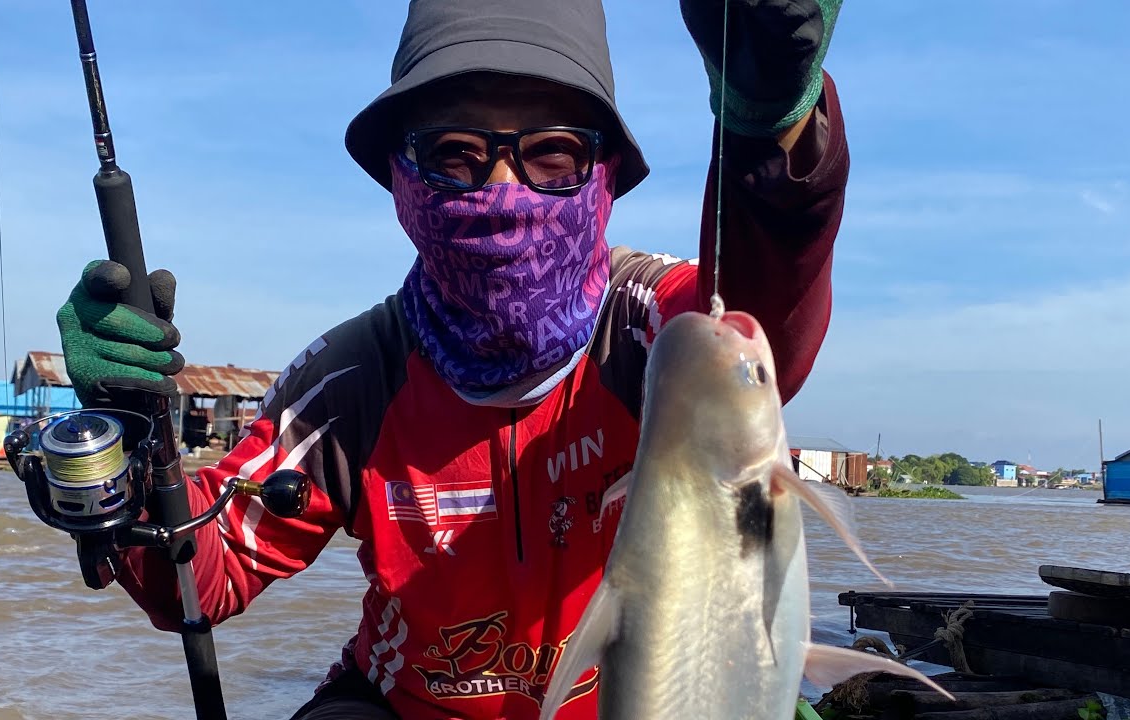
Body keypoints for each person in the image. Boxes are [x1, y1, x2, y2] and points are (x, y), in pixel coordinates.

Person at [53, 0, 848, 717]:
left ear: (603, 177)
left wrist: (771, 126)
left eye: (552, 154)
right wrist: (121, 442)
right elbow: (203, 575)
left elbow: (756, 321)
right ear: (402, 177)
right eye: (455, 154)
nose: (502, 189)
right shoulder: (356, 378)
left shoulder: (654, 326)